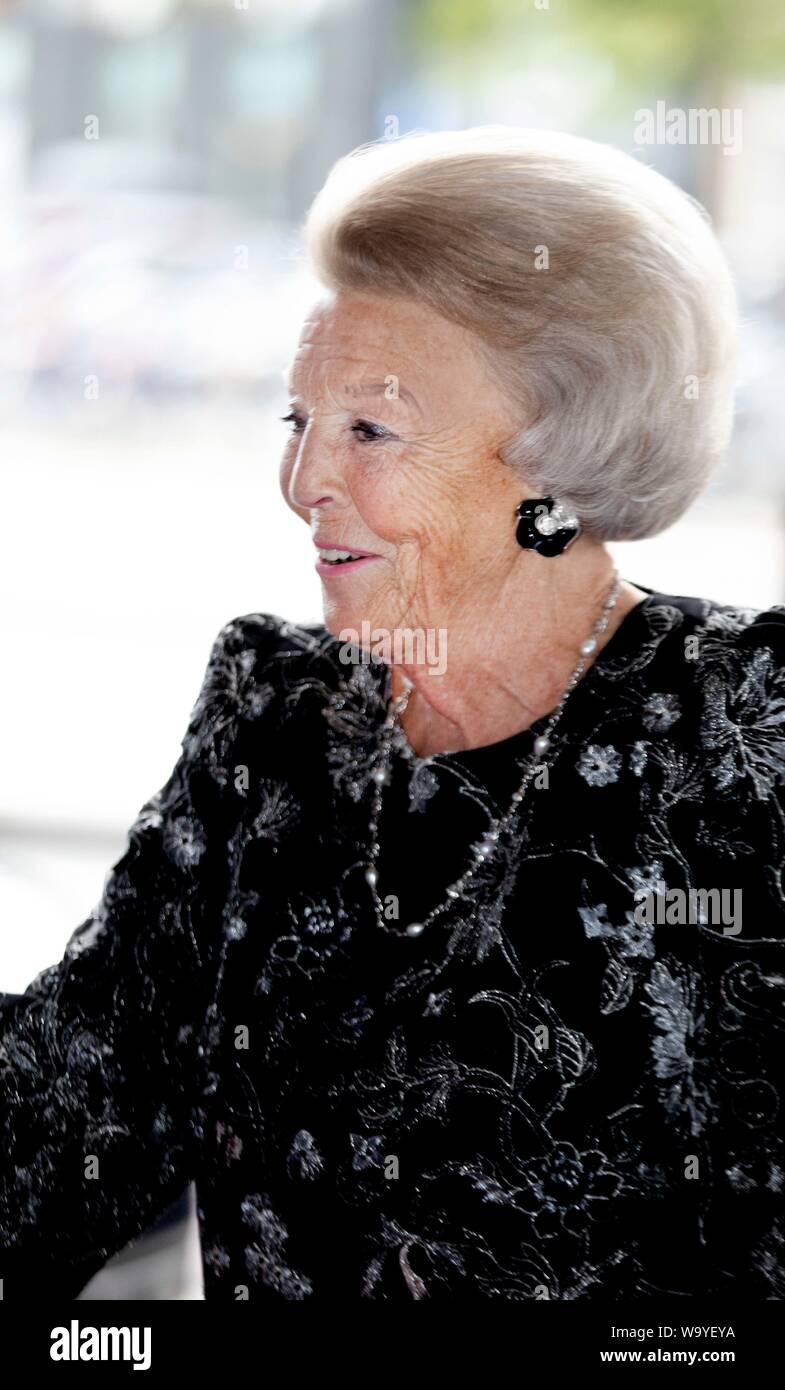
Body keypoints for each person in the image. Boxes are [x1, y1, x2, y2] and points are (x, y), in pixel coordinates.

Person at [1, 126, 783, 1301]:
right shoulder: (277, 719)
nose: (303, 480)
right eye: (295, 422)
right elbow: (64, 1123)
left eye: (367, 428)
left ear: (555, 460)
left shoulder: (737, 732)